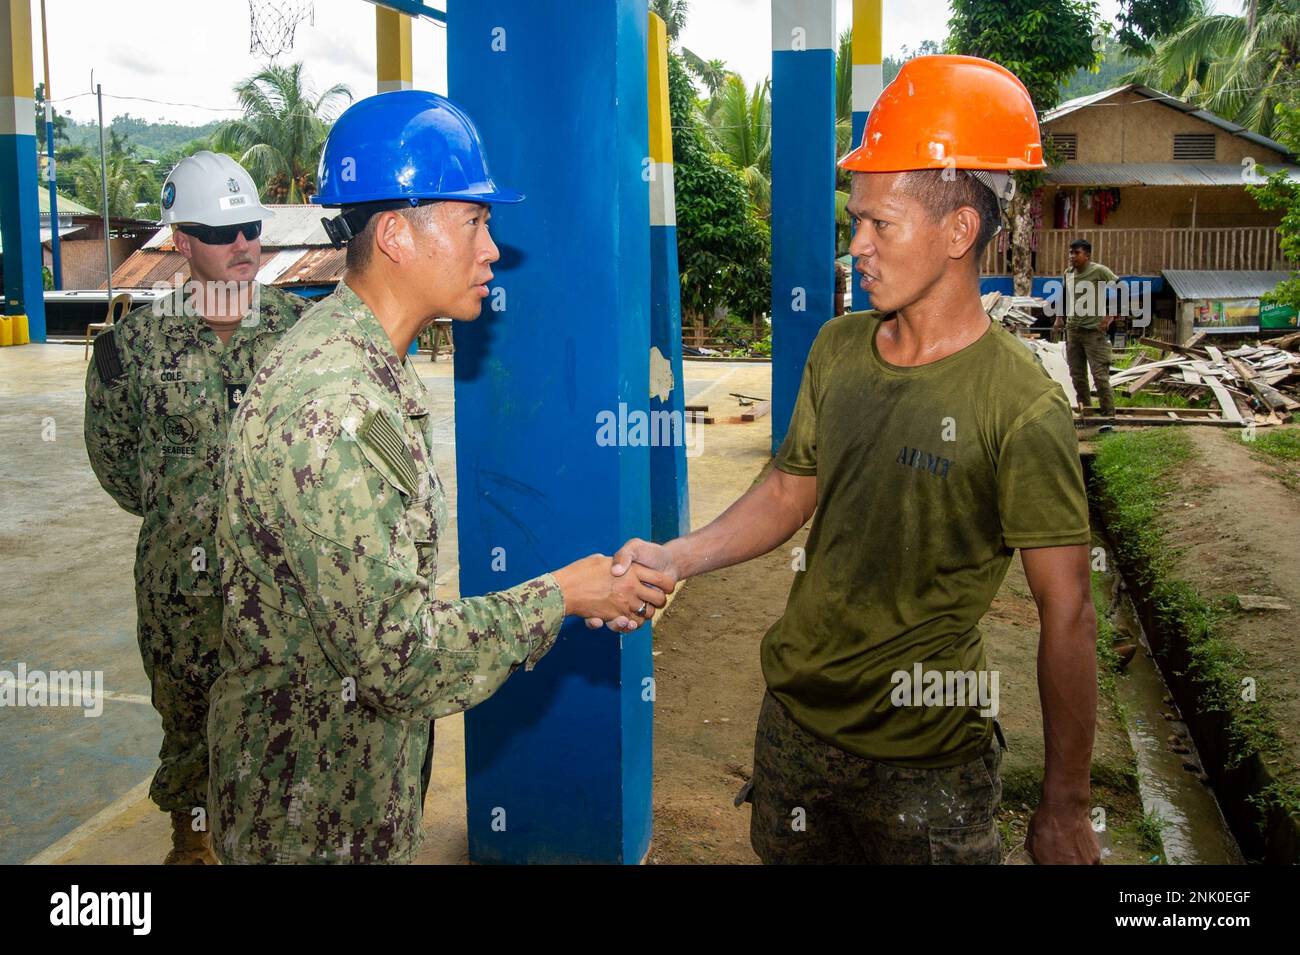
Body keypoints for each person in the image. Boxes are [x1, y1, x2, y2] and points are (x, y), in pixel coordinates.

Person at [597, 56, 1101, 865]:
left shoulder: (1021, 406)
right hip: (796, 726)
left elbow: (1068, 612)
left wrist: (1067, 805)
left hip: (927, 762)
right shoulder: (838, 350)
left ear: (959, 232)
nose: (855, 246)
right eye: (853, 222)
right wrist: (676, 554)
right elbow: (792, 487)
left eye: (879, 225)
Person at [210, 90, 673, 865]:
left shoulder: (358, 359)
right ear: (395, 233)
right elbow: (402, 660)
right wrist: (563, 594)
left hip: (343, 795)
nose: (492, 248)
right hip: (304, 822)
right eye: (475, 222)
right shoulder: (335, 409)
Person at [84, 151, 308, 863]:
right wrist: (183, 513)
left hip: (281, 586)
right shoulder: (135, 346)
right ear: (180, 239)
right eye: (221, 231)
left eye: (250, 227)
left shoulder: (300, 333)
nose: (244, 245)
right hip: (181, 593)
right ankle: (193, 842)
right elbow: (116, 459)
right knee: (187, 728)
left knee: (288, 724)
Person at [1055, 239, 1118, 417]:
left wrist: (1110, 315)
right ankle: (1087, 412)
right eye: (1070, 253)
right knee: (1077, 375)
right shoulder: (1068, 273)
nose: (1072, 257)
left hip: (1094, 332)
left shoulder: (1099, 271)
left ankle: (1108, 414)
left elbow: (1119, 288)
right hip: (1073, 330)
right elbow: (1064, 296)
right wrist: (1059, 317)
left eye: (1076, 253)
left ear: (1087, 255)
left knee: (1099, 375)